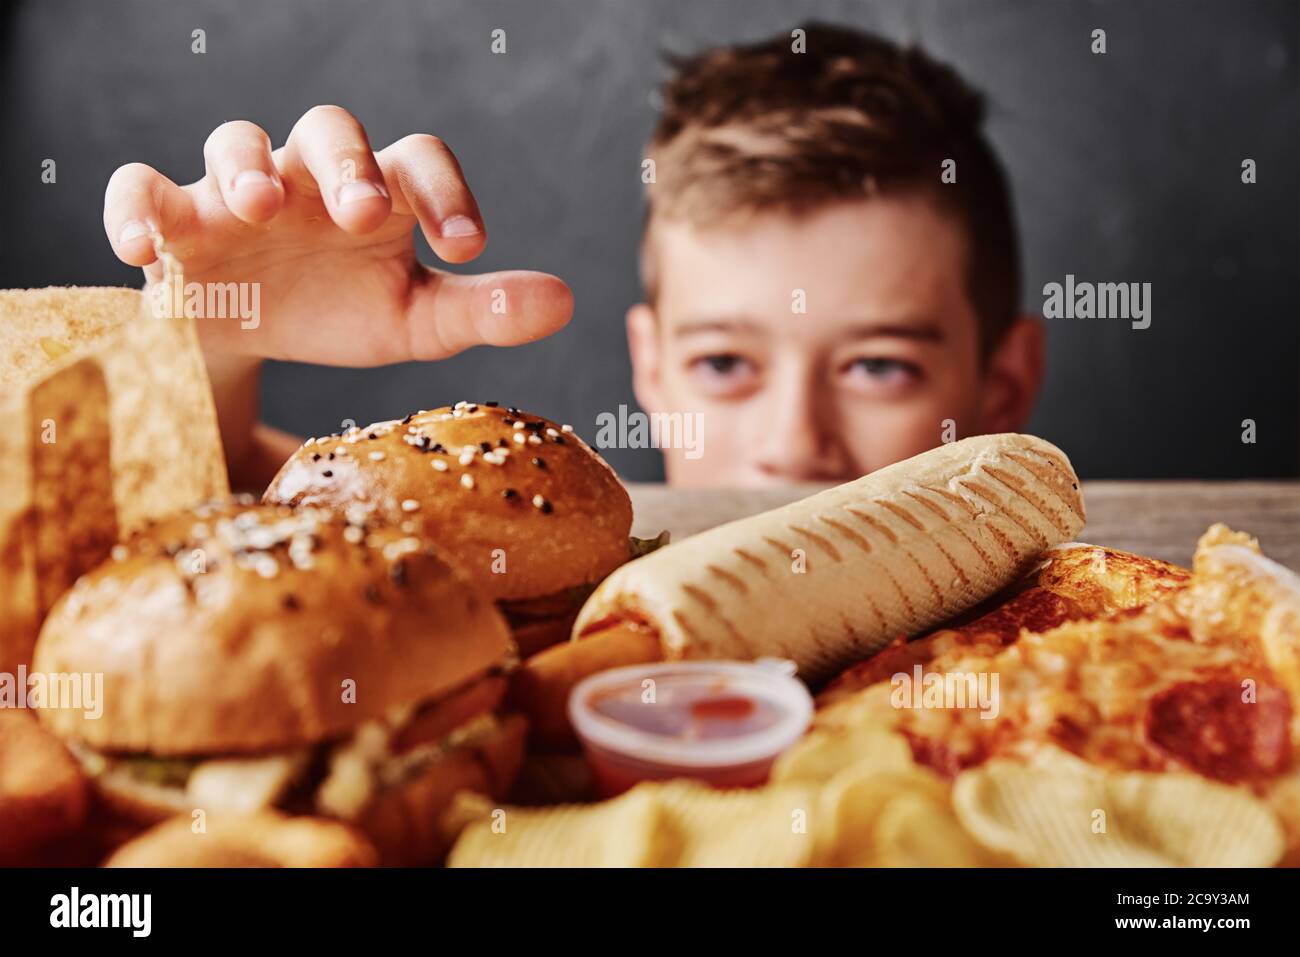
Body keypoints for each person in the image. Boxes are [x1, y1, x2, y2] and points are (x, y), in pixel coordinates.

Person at [102, 22, 1041, 490]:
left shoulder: (1092, 649)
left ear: (1003, 384)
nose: (795, 444)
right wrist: (209, 349)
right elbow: (226, 502)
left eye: (880, 365)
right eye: (723, 363)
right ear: (652, 368)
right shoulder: (555, 589)